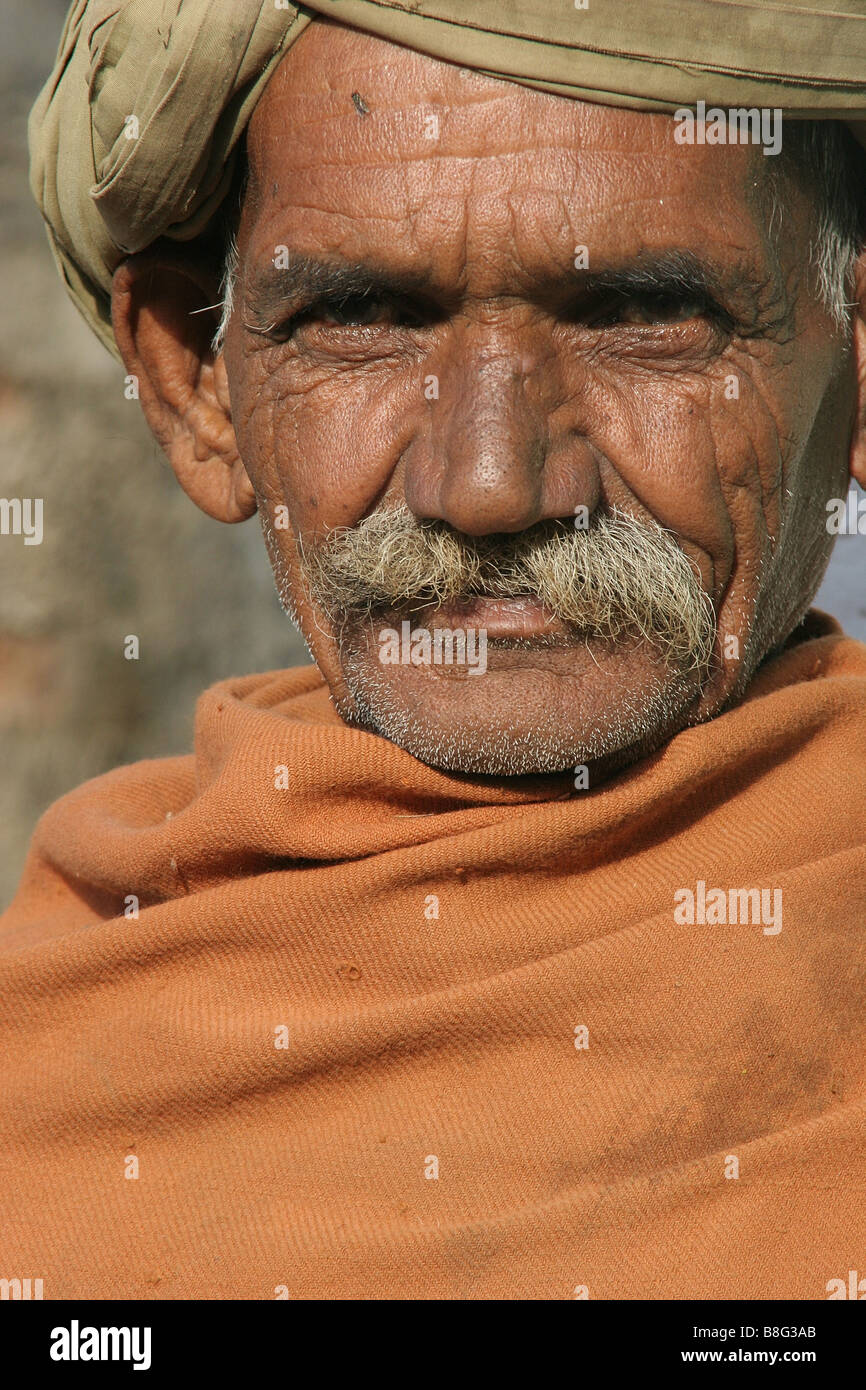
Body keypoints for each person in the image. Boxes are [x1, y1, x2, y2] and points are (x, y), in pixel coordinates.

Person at [1, 0, 865, 1300]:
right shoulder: (61, 1050)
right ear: (193, 387)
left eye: (635, 311)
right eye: (363, 316)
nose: (487, 483)